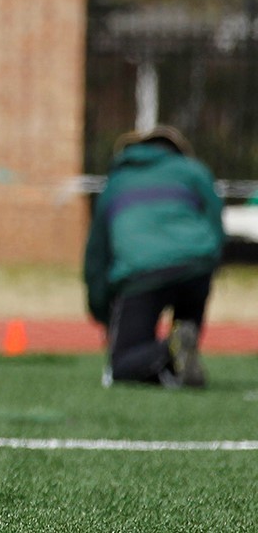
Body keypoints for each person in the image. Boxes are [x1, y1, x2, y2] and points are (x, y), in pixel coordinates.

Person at [84, 125, 223, 388]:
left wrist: (103, 312)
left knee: (123, 364)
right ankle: (176, 357)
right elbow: (215, 221)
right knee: (184, 334)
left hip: (141, 272)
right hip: (196, 264)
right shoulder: (194, 171)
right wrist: (210, 262)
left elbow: (97, 255)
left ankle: (170, 350)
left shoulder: (117, 183)